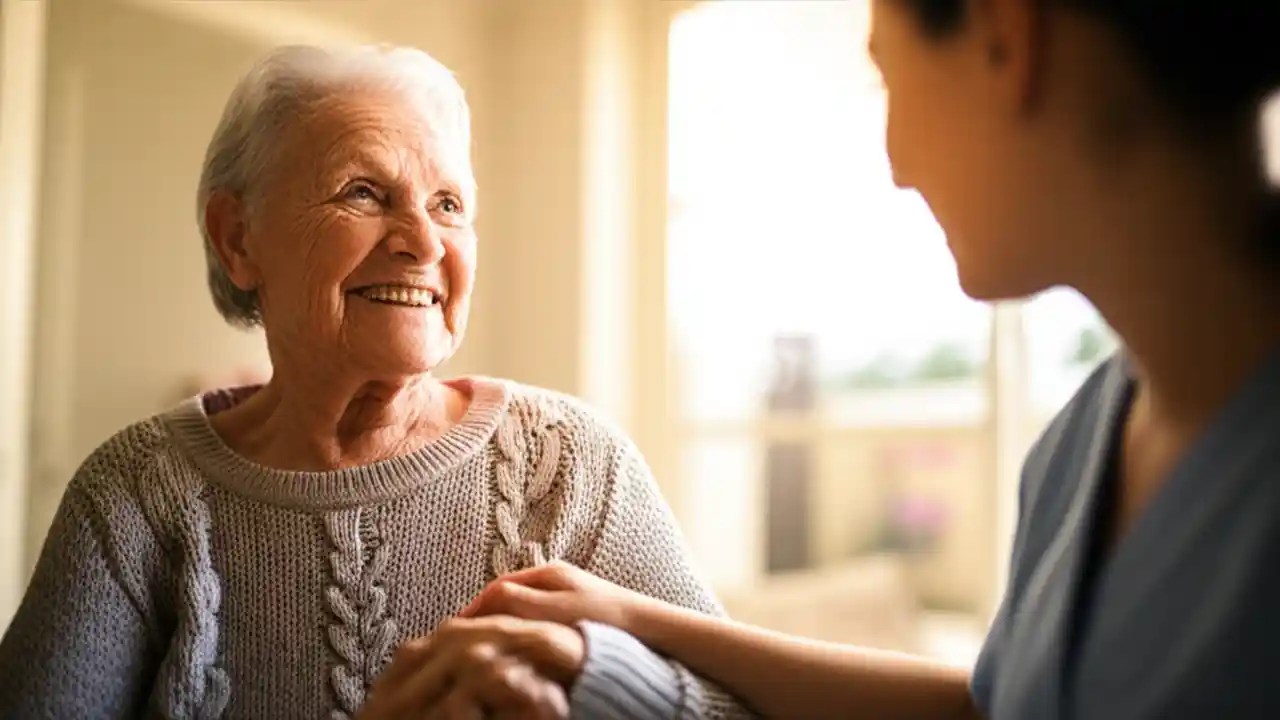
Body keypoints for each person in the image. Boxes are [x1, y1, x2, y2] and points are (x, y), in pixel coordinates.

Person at [419, 0, 1280, 718]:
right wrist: (633, 628)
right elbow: (993, 708)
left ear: (1004, 38)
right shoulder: (1085, 442)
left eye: (886, 77)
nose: (898, 164)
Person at [0, 45, 754, 719]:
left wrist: (597, 682)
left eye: (449, 204)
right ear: (238, 238)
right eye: (364, 192)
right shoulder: (136, 493)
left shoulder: (572, 462)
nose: (424, 242)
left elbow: (742, 708)